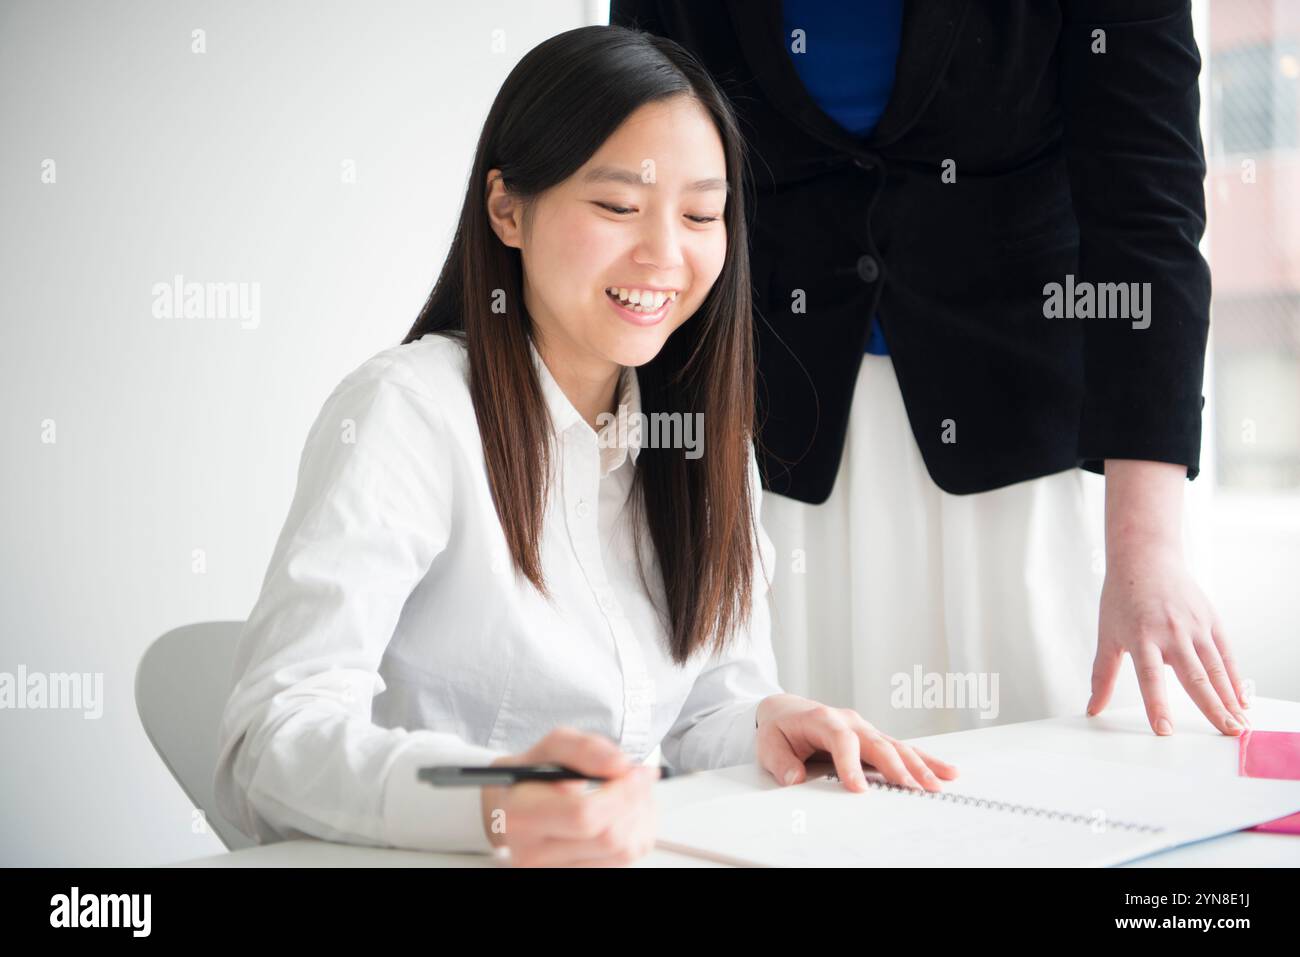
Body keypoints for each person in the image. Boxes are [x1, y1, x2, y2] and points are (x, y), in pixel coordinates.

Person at [212, 24, 958, 868]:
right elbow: (271, 740)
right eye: (616, 206)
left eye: (700, 214)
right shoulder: (410, 414)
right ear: (508, 209)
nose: (664, 254)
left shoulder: (704, 444)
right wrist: (495, 800)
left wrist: (765, 723)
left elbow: (699, 712)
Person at [611, 0, 1251, 739]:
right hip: (765, 437)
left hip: (1022, 433)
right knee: (798, 774)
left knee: (1050, 772)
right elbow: (634, 158)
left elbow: (1148, 210)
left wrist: (1146, 549)